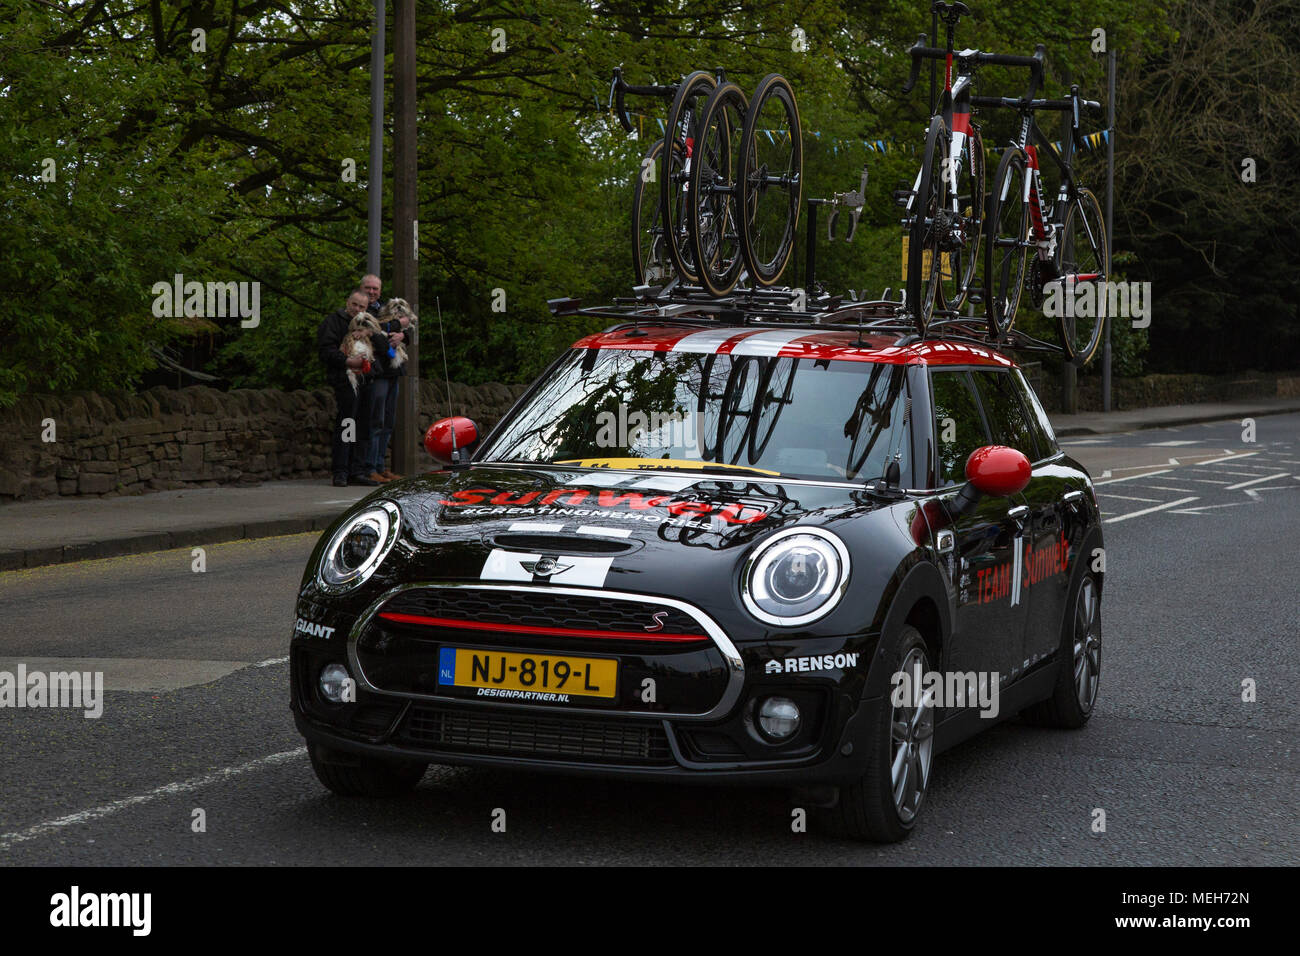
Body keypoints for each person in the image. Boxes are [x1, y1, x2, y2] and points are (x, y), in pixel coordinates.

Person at [317, 290, 379, 487]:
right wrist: (347, 361)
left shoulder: (370, 324)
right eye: (355, 305)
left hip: (366, 382)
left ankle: (357, 470)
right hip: (345, 381)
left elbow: (382, 346)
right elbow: (326, 350)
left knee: (363, 427)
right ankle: (341, 470)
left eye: (362, 307)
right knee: (347, 426)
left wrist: (370, 333)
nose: (357, 310)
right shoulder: (333, 322)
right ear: (348, 302)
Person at [366, 299, 414, 480]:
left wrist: (403, 335)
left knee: (388, 422)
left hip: (394, 371)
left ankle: (380, 466)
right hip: (379, 373)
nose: (372, 292)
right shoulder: (367, 311)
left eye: (375, 289)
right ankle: (371, 468)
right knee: (376, 421)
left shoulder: (385, 309)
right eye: (369, 288)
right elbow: (375, 330)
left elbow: (408, 329)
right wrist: (398, 325)